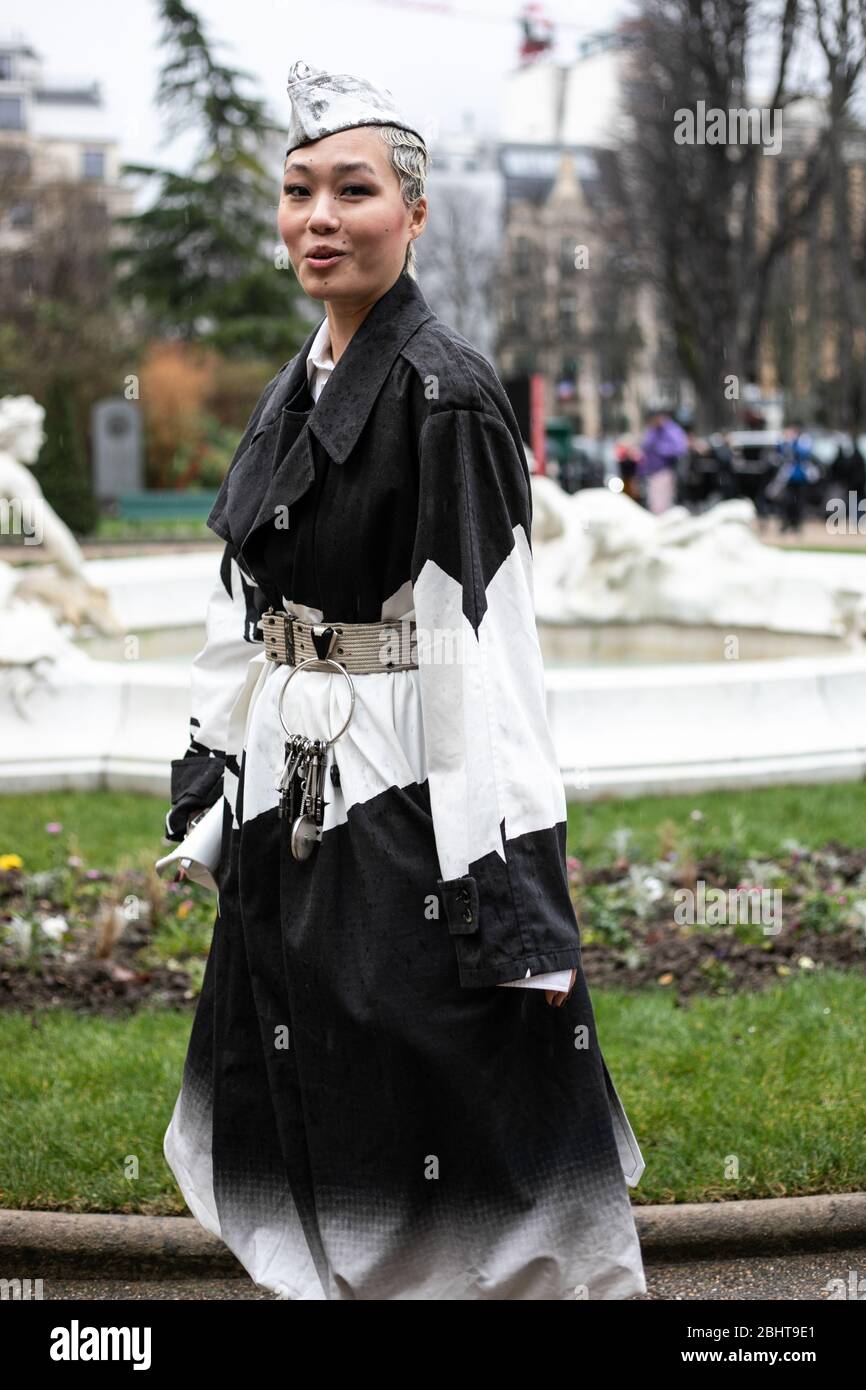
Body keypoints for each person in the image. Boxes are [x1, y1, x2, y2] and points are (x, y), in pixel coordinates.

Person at [158, 58, 646, 1302]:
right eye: (297, 192)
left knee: (436, 1063)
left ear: (412, 214)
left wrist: (510, 895)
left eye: (353, 190)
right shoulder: (293, 386)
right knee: (302, 1065)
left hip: (404, 803)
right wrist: (214, 769)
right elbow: (249, 603)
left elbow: (489, 655)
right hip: (293, 791)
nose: (318, 217)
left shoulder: (448, 392)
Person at [637, 407, 688, 514]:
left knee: (662, 506)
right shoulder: (652, 430)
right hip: (651, 473)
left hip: (664, 471)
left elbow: (679, 449)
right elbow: (645, 449)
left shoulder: (671, 430)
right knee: (654, 505)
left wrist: (659, 448)